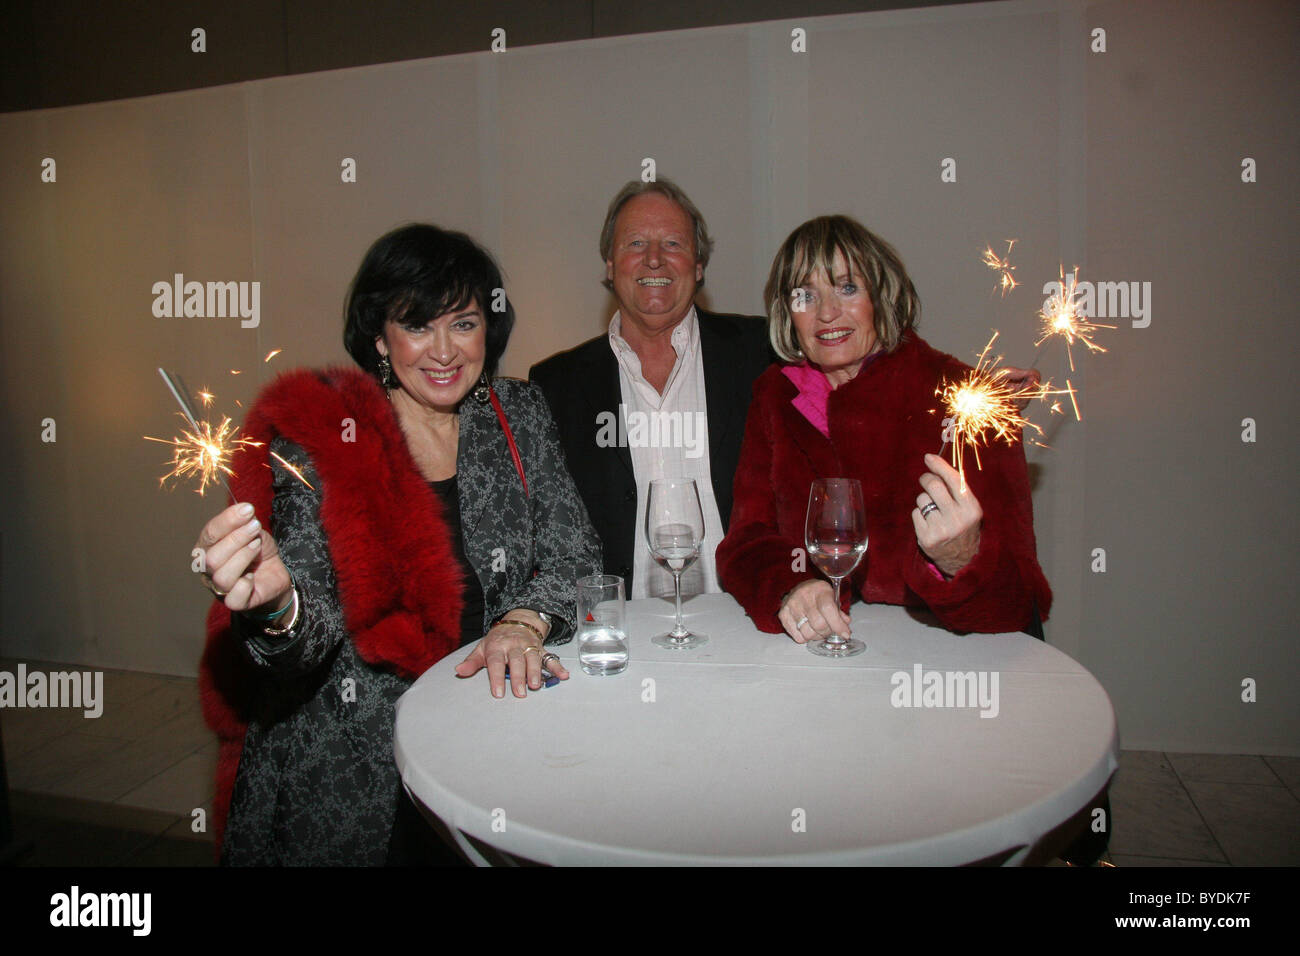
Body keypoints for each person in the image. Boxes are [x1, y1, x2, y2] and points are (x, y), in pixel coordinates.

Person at [195, 224, 601, 866]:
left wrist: (521, 624)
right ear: (380, 338)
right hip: (356, 767)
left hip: (490, 738)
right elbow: (308, 632)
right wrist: (276, 605)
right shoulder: (328, 442)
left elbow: (574, 553)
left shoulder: (516, 413)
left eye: (464, 323)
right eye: (417, 325)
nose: (444, 351)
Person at [716, 214, 1052, 639]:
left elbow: (1018, 603)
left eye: (848, 287)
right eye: (804, 295)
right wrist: (790, 584)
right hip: (822, 658)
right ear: (788, 313)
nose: (826, 312)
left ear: (883, 295)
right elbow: (746, 540)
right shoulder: (775, 395)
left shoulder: (967, 398)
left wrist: (961, 558)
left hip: (946, 663)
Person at [529, 179, 772, 598]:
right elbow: (549, 538)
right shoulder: (556, 385)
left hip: (749, 622)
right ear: (610, 265)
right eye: (636, 243)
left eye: (673, 244)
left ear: (699, 266)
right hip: (622, 637)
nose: (655, 260)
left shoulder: (763, 354)